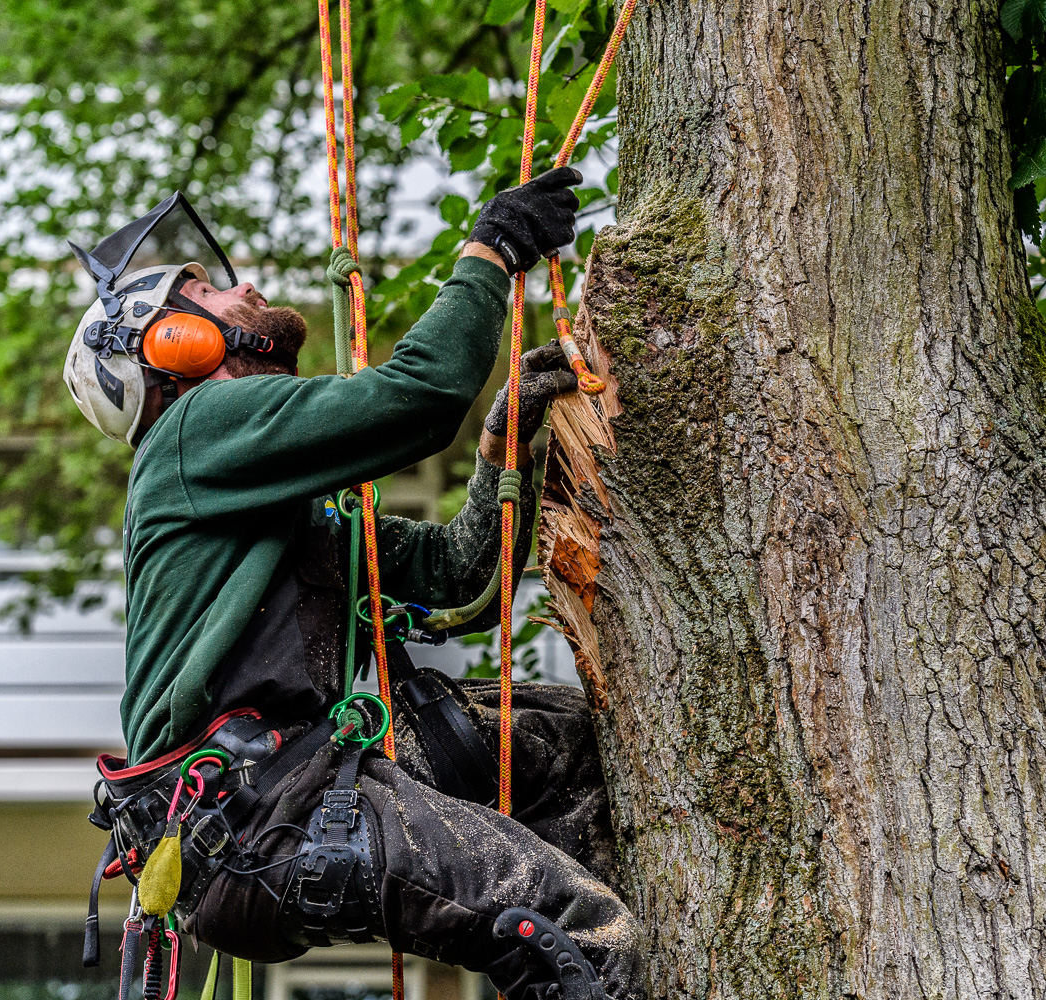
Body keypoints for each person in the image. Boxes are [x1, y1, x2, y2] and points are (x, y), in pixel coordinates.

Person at [64, 170, 644, 1000]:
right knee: (575, 931)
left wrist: (507, 445)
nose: (247, 289)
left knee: (557, 738)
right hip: (262, 815)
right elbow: (418, 397)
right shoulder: (193, 430)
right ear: (167, 349)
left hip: (294, 788)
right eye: (207, 293)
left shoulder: (283, 514)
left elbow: (459, 574)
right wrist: (492, 252)